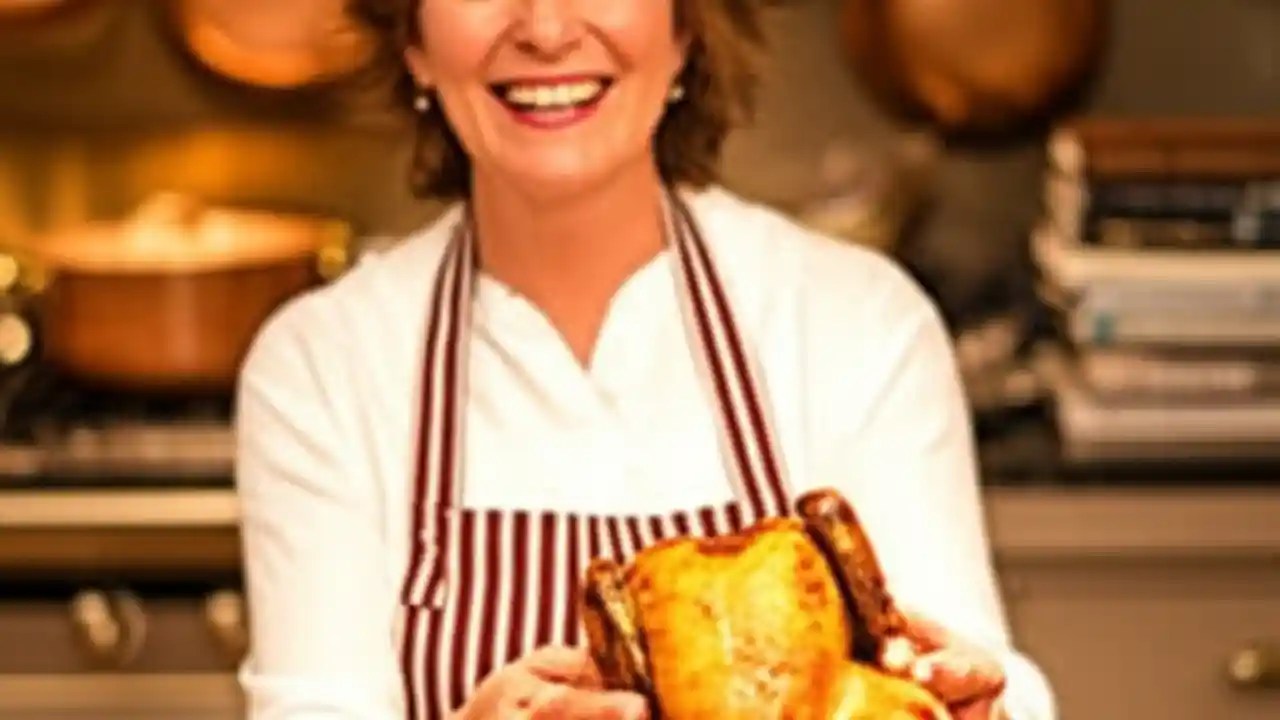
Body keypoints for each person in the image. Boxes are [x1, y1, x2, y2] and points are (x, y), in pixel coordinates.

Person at [233, 0, 1057, 719]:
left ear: (686, 25)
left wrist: (981, 709)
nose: (547, 27)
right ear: (412, 37)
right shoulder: (321, 369)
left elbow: (983, 674)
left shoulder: (856, 326)